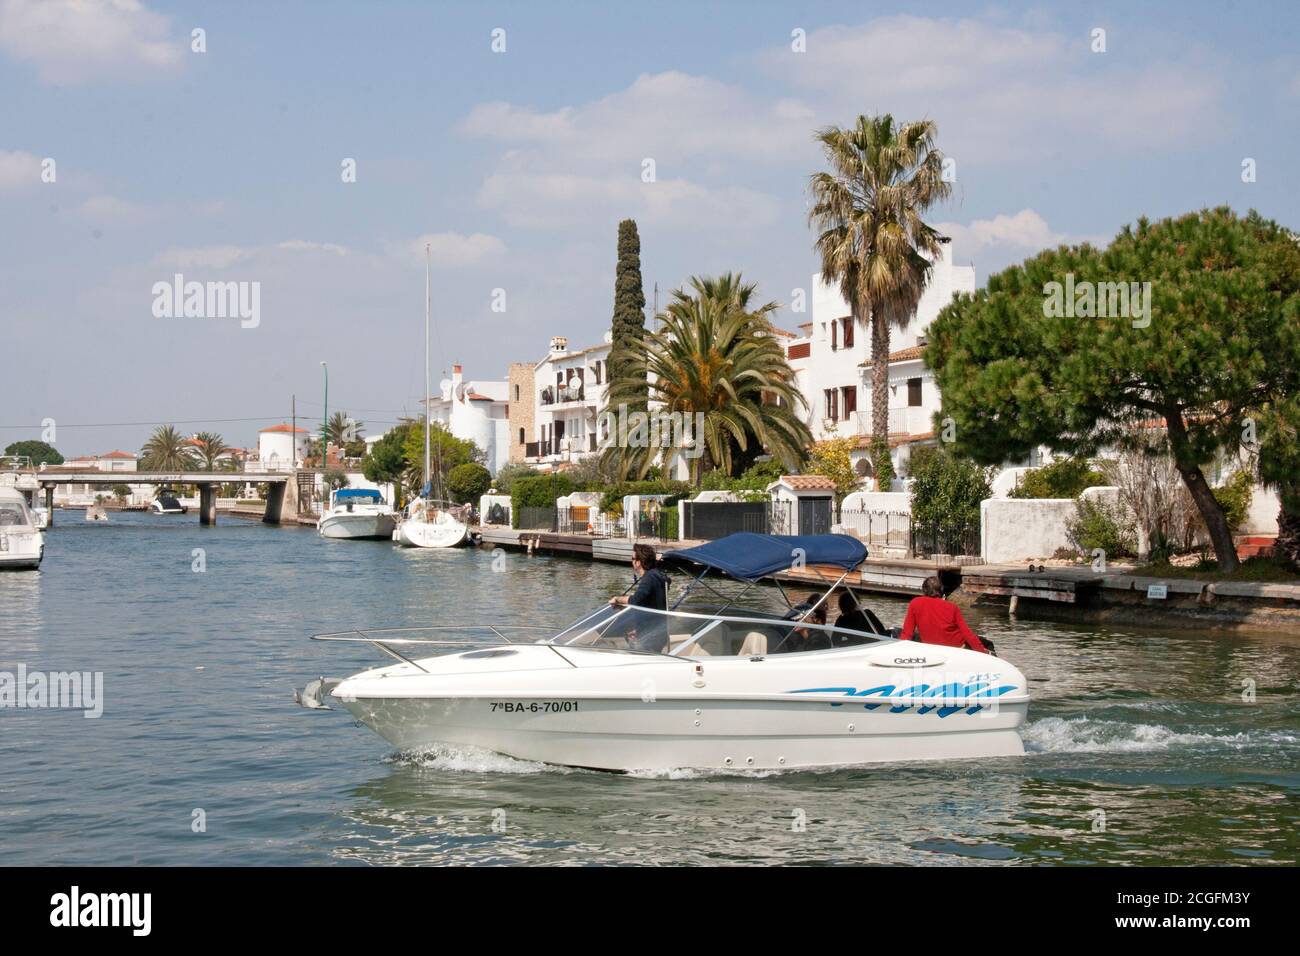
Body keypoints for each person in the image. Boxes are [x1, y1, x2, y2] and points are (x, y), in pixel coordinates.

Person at [898, 576, 988, 653]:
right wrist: (982, 653)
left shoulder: (915, 603)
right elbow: (967, 633)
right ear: (941, 590)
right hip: (956, 648)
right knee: (986, 643)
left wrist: (899, 651)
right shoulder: (952, 607)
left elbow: (907, 633)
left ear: (924, 590)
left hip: (932, 648)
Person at [609, 543, 670, 652]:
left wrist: (617, 599)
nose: (631, 561)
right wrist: (639, 630)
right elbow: (651, 604)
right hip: (655, 632)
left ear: (638, 562)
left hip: (652, 638)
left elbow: (635, 600)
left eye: (632, 558)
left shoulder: (649, 578)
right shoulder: (656, 575)